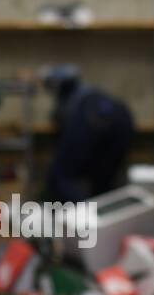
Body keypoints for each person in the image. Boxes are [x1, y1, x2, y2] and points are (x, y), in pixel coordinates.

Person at [41, 65, 134, 205]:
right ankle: (101, 221)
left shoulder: (72, 100)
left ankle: (83, 221)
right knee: (103, 182)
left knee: (60, 177)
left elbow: (61, 121)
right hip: (123, 118)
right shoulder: (90, 92)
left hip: (90, 121)